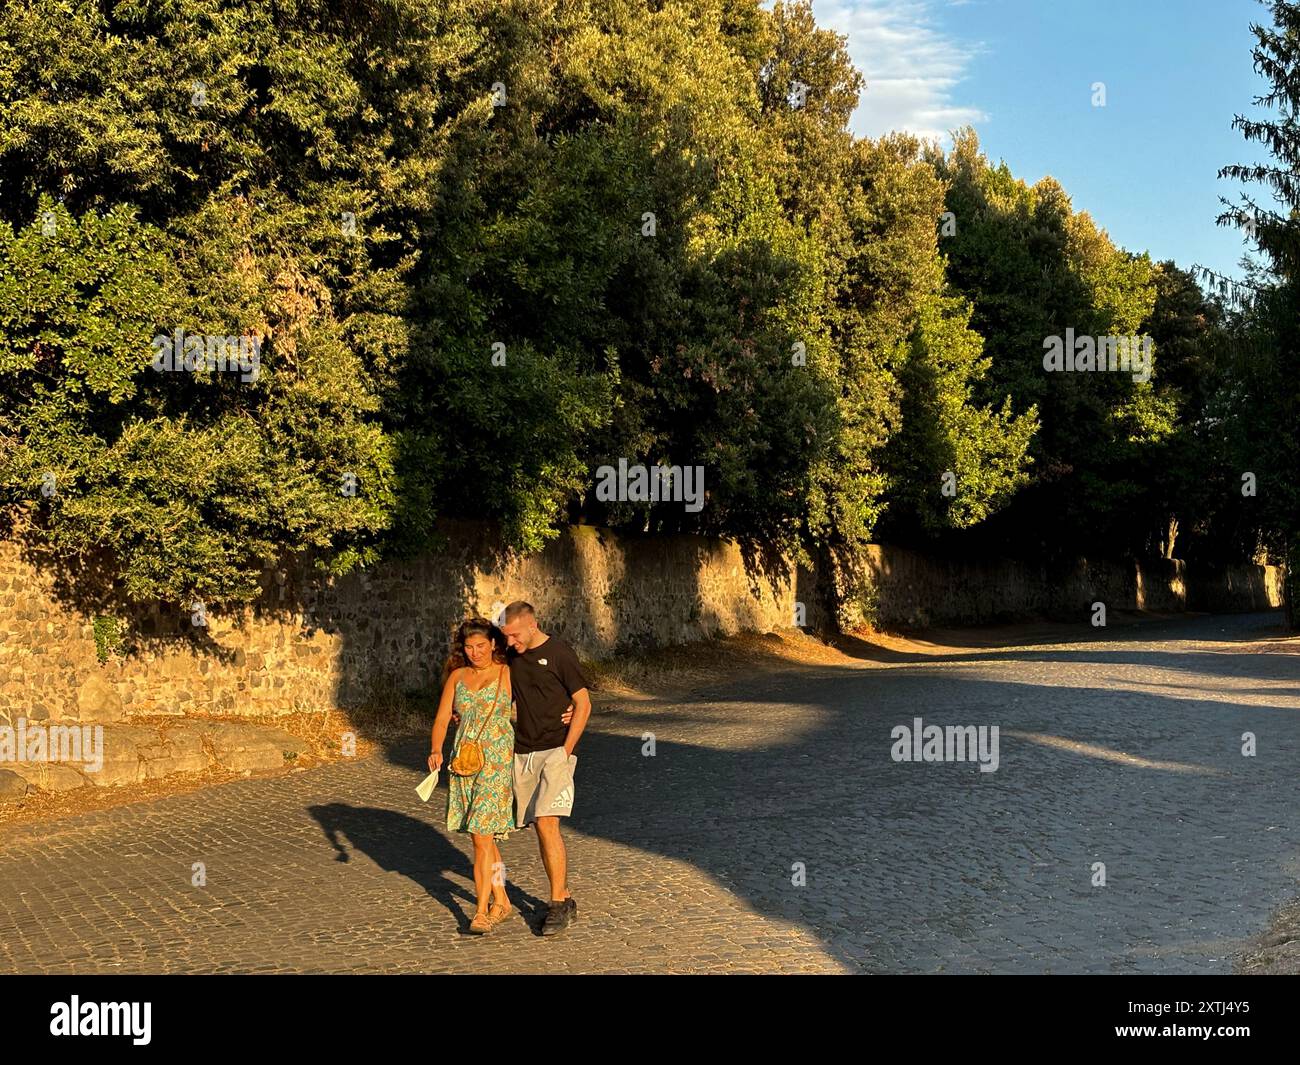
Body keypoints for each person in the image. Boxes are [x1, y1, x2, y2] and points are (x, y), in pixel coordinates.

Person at [499, 601, 591, 935]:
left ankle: (557, 905)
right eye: (506, 636)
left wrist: (566, 751)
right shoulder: (512, 656)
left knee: (547, 822)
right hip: (523, 751)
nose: (510, 642)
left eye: (514, 635)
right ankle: (564, 895)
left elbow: (583, 703)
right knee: (536, 824)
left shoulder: (559, 653)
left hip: (556, 749)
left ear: (532, 625)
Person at [429, 618, 517, 934]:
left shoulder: (508, 674)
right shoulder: (457, 677)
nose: (475, 652)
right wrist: (436, 749)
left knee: (481, 837)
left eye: (481, 646)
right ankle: (502, 898)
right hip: (464, 760)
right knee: (484, 838)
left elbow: (534, 703)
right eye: (469, 647)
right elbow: (441, 718)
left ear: (493, 644)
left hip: (496, 761)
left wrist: (567, 713)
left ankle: (480, 911)